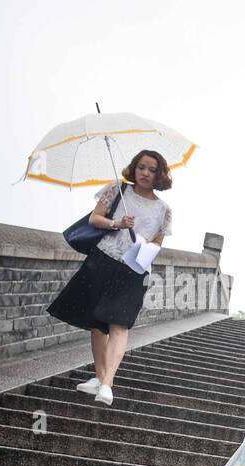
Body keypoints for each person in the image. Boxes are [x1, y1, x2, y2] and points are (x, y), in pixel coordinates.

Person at [48, 150, 173, 406]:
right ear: (134, 168)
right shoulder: (118, 190)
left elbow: (158, 242)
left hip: (135, 268)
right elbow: (95, 218)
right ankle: (99, 376)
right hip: (103, 260)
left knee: (119, 324)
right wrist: (117, 223)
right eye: (141, 167)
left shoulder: (163, 209)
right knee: (97, 323)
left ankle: (107, 383)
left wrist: (145, 243)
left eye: (152, 169)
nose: (145, 173)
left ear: (159, 174)